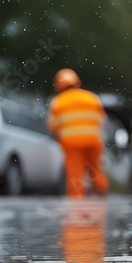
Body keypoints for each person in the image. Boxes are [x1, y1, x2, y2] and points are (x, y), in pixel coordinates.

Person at [48, 68, 109, 198]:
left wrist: (57, 139)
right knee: (95, 169)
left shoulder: (58, 102)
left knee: (75, 174)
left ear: (59, 84)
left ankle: (77, 204)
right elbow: (102, 120)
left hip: (72, 143)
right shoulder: (92, 98)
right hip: (93, 141)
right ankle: (102, 191)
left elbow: (53, 127)